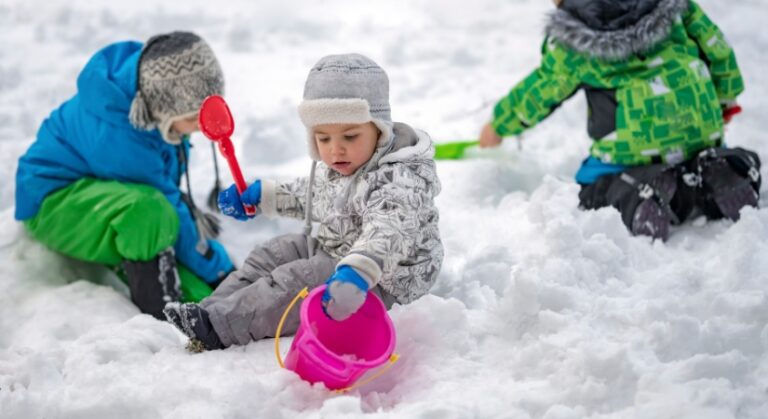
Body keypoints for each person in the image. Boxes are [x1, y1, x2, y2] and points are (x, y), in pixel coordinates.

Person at [164, 53, 443, 351]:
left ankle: (218, 328)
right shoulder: (345, 164)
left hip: (382, 279)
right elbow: (311, 194)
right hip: (337, 250)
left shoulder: (398, 179)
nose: (335, 150)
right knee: (272, 253)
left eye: (350, 136)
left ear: (380, 129)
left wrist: (357, 274)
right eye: (323, 139)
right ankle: (209, 311)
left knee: (295, 282)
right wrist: (264, 196)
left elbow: (388, 232)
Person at [478, 0, 760, 240]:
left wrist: (499, 124)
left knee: (592, 186)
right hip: (701, 129)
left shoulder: (573, 40)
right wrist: (725, 100)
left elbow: (539, 92)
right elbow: (717, 48)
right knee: (700, 157)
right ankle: (722, 169)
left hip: (635, 147)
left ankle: (637, 193)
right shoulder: (676, 6)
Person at [15, 31, 234, 319]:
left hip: (102, 190)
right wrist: (221, 271)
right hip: (54, 204)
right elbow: (164, 202)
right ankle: (161, 307)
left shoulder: (151, 99)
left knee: (165, 226)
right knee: (151, 213)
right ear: (163, 107)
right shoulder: (123, 137)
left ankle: (196, 295)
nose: (203, 124)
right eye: (194, 117)